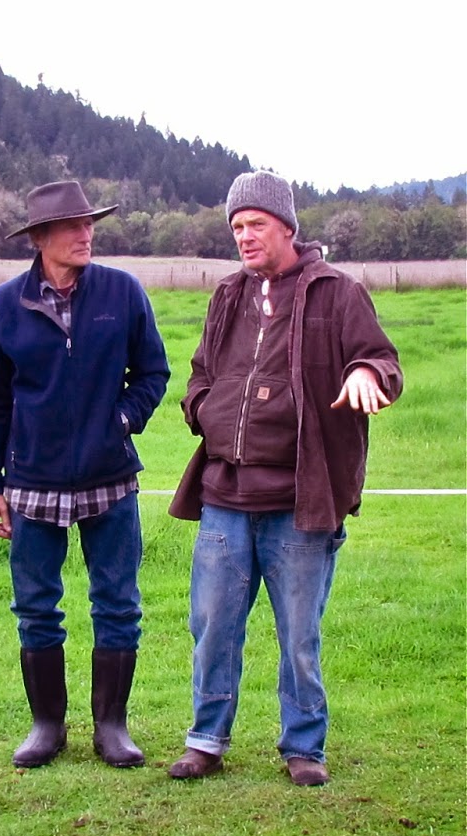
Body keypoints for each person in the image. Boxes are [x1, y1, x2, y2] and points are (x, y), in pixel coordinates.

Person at [167, 170, 402, 786]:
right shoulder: (226, 296)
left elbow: (381, 359)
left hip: (300, 499)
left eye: (256, 225)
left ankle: (304, 747)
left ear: (287, 227)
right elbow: (198, 375)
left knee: (299, 634)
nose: (245, 237)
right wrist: (205, 411)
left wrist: (368, 376)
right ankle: (206, 739)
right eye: (236, 227)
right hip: (224, 494)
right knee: (213, 624)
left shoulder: (336, 293)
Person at [0, 181, 170, 769]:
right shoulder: (4, 306)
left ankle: (112, 727)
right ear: (39, 238)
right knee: (36, 605)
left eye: (90, 224)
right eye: (72, 227)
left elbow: (153, 371)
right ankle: (47, 726)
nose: (87, 235)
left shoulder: (122, 292)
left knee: (117, 603)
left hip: (111, 481)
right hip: (31, 484)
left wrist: (123, 419)